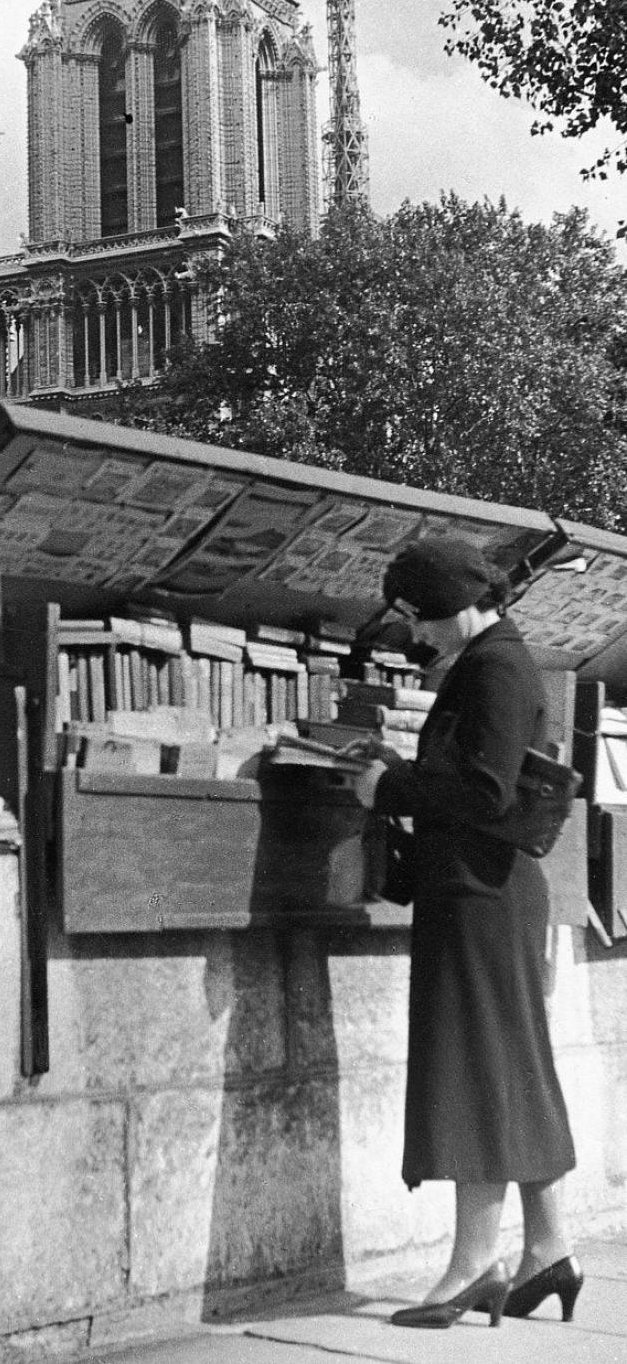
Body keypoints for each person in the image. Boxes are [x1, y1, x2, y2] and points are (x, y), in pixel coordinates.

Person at [351, 539, 579, 1330]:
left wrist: (390, 784)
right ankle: (548, 1248)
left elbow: (482, 788)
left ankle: (473, 1263)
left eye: (419, 617)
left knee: (475, 1068)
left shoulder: (493, 667)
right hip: (486, 889)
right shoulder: (496, 661)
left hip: (482, 893)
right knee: (510, 1068)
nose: (417, 634)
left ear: (455, 605)